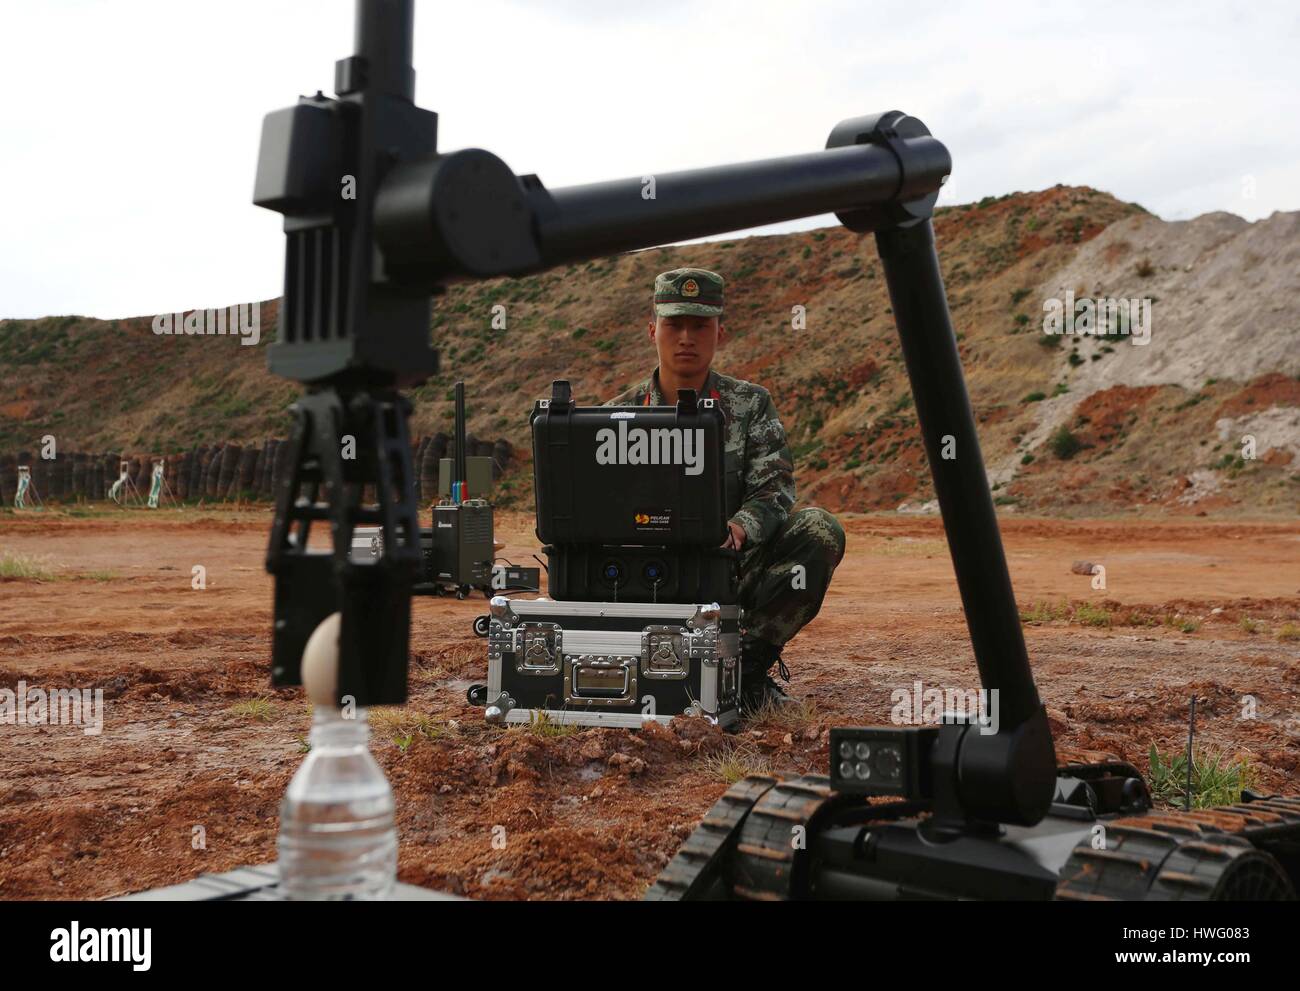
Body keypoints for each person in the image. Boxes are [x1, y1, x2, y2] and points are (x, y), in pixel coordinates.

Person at [605, 268, 845, 714]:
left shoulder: (750, 405)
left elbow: (774, 488)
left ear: (720, 331)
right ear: (653, 329)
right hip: (641, 571)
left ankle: (745, 673)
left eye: (700, 325)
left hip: (726, 569)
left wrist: (739, 528)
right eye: (675, 325)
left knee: (819, 531)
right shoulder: (615, 416)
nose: (686, 338)